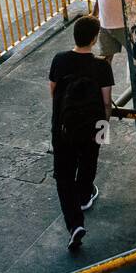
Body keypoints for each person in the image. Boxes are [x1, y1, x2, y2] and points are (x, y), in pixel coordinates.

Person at [49, 15, 113, 251]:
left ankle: (75, 224)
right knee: (88, 161)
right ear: (95, 39)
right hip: (93, 126)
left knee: (63, 175)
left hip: (62, 127)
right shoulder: (101, 66)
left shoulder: (59, 60)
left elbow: (54, 92)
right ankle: (85, 195)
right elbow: (106, 103)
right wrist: (103, 130)